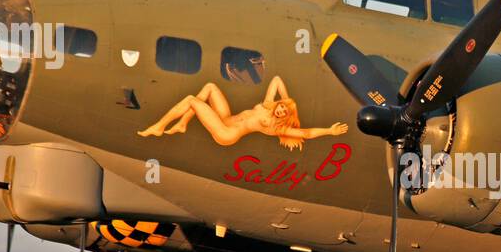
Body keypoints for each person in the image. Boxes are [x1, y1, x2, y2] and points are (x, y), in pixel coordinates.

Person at [137, 75, 347, 151]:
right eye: (282, 106)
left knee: (192, 100)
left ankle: (159, 127)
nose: (281, 110)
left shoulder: (275, 127)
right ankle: (183, 123)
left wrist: (330, 131)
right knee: (210, 87)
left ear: (285, 117)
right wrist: (288, 100)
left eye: (284, 111)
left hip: (227, 133)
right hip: (226, 120)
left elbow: (306, 133)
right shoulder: (268, 104)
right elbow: (276, 80)